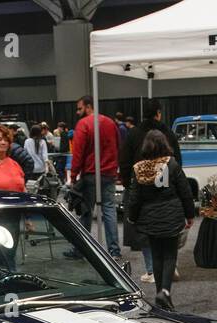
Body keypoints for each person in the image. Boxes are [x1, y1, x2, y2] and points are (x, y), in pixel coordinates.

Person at [126, 129, 194, 311]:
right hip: (172, 216)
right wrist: (190, 215)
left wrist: (132, 218)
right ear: (165, 144)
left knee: (156, 255)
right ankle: (165, 292)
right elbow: (185, 192)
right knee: (170, 255)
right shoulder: (171, 164)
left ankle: (159, 293)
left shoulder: (138, 168)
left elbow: (135, 198)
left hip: (150, 218)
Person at [121, 98, 184, 284]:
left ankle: (152, 270)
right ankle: (170, 266)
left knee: (146, 232)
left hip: (142, 190)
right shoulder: (168, 133)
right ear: (158, 112)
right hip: (167, 190)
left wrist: (129, 185)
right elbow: (178, 162)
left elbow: (124, 161)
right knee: (170, 230)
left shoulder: (133, 134)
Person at [69, 95, 122, 258]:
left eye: (80, 108)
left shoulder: (83, 124)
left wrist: (73, 174)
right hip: (109, 173)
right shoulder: (110, 123)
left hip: (91, 174)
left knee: (85, 211)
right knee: (109, 210)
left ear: (88, 106)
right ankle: (114, 251)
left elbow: (78, 152)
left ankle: (82, 249)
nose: (78, 112)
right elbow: (118, 146)